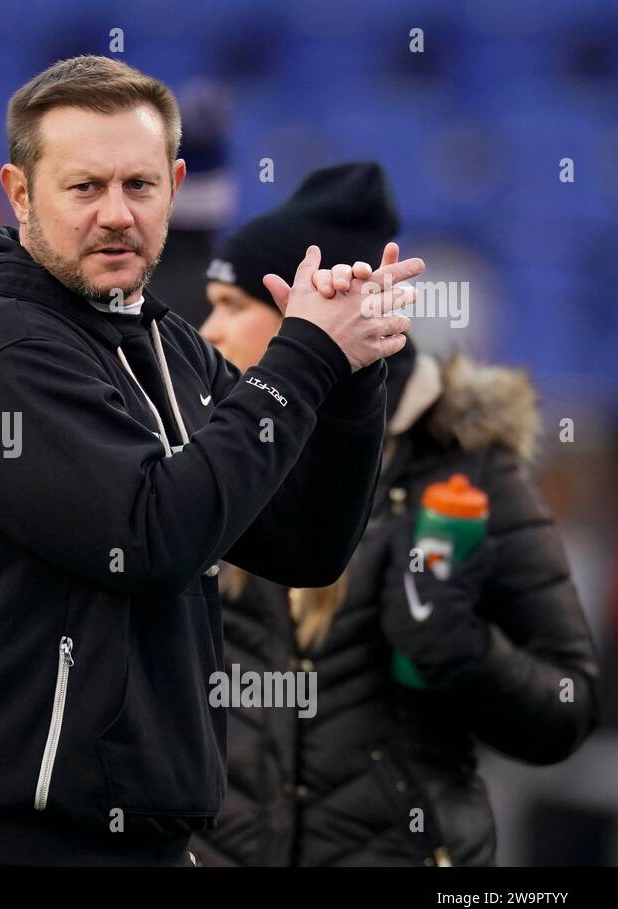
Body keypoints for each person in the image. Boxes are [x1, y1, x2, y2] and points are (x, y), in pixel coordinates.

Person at [0, 55, 424, 866]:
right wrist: (303, 355)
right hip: (3, 842)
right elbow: (148, 536)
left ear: (174, 185)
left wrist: (351, 376)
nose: (116, 215)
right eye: (83, 187)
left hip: (148, 840)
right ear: (20, 193)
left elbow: (305, 546)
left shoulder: (167, 343)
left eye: (138, 186)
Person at [191, 161, 599, 866]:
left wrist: (458, 648)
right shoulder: (219, 457)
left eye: (231, 305)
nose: (208, 330)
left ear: (305, 309)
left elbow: (566, 710)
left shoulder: (468, 470)